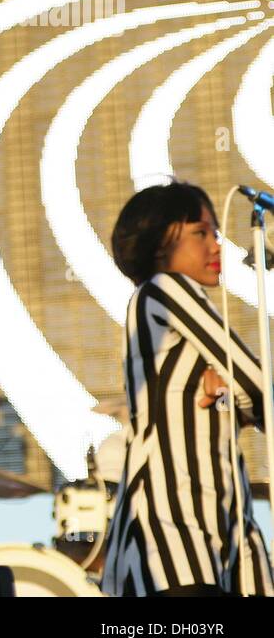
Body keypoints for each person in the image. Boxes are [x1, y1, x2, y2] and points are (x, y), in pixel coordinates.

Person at [101, 181, 272, 596]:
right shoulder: (164, 289)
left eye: (215, 233)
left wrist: (231, 392)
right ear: (159, 244)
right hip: (172, 533)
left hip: (226, 530)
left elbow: (248, 386)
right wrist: (242, 390)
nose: (216, 246)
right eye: (201, 233)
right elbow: (258, 384)